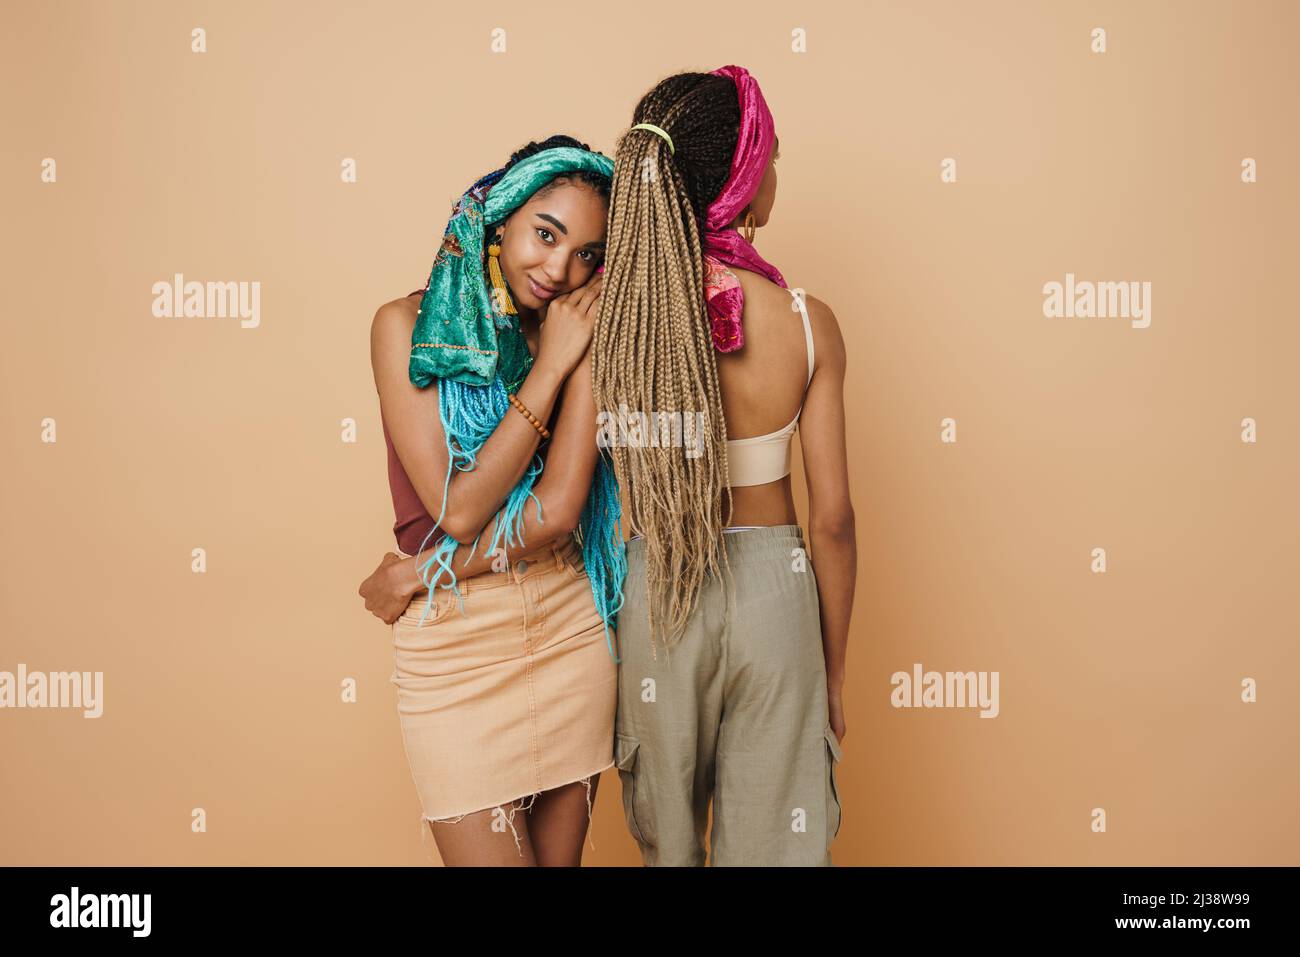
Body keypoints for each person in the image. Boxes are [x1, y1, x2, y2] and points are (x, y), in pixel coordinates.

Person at [593, 68, 856, 866]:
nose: (778, 169)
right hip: (776, 590)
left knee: (668, 844)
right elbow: (834, 519)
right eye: (772, 154)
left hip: (659, 592)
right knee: (777, 842)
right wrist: (833, 671)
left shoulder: (612, 312)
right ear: (743, 178)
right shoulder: (810, 323)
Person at [358, 136, 626, 866]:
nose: (560, 269)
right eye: (546, 233)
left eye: (586, 255)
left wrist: (419, 571)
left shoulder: (579, 332)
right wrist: (551, 369)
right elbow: (462, 507)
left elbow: (561, 511)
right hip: (456, 643)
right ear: (499, 219)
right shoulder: (404, 327)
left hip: (568, 622)